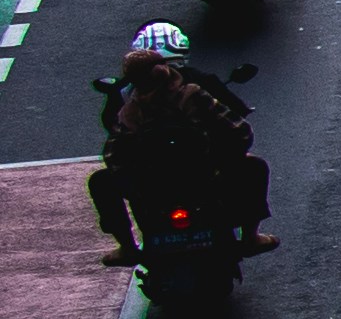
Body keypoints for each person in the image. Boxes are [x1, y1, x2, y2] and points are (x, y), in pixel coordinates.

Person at [88, 26, 267, 267]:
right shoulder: (193, 94)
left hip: (151, 189)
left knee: (100, 181)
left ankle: (127, 248)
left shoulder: (130, 110)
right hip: (204, 179)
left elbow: (113, 155)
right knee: (255, 166)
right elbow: (239, 131)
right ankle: (251, 238)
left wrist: (133, 180)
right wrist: (223, 161)